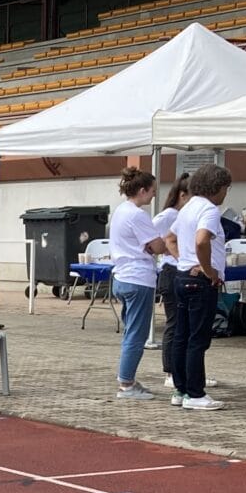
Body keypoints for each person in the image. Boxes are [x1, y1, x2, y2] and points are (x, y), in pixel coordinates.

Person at [163, 163, 230, 411]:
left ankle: (180, 390)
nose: (226, 194)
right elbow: (202, 240)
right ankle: (195, 393)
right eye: (226, 188)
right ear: (218, 188)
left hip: (181, 277)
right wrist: (208, 269)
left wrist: (184, 259)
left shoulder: (188, 207)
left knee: (181, 335)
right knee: (197, 339)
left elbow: (169, 238)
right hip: (201, 281)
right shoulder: (209, 210)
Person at [107, 167, 164, 400]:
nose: (153, 196)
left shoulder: (121, 211)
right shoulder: (138, 215)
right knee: (136, 335)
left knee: (131, 330)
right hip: (138, 277)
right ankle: (127, 383)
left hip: (121, 275)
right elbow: (157, 246)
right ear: (142, 190)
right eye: (152, 191)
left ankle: (126, 377)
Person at [152, 177, 190, 388]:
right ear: (182, 196)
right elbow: (154, 236)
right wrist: (165, 250)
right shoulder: (168, 216)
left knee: (185, 325)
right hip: (171, 270)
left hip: (180, 270)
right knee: (174, 323)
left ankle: (185, 370)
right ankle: (170, 372)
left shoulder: (186, 214)